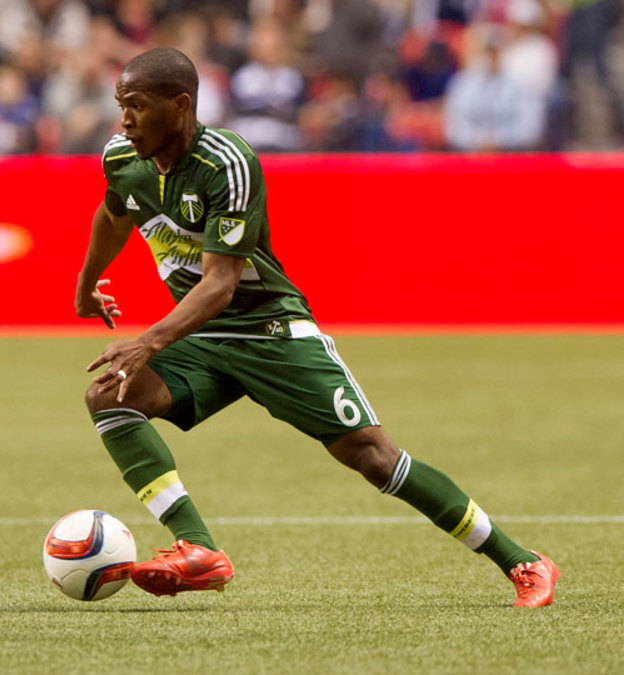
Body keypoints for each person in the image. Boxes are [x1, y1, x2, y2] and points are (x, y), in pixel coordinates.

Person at [74, 47, 559, 607]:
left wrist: (148, 340)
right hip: (202, 340)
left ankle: (522, 561)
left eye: (135, 106)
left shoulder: (227, 162)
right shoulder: (121, 158)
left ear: (180, 104)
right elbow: (113, 214)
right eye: (120, 106)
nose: (124, 120)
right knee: (109, 396)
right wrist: (87, 283)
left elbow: (220, 284)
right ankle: (196, 546)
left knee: (375, 458)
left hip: (270, 332)